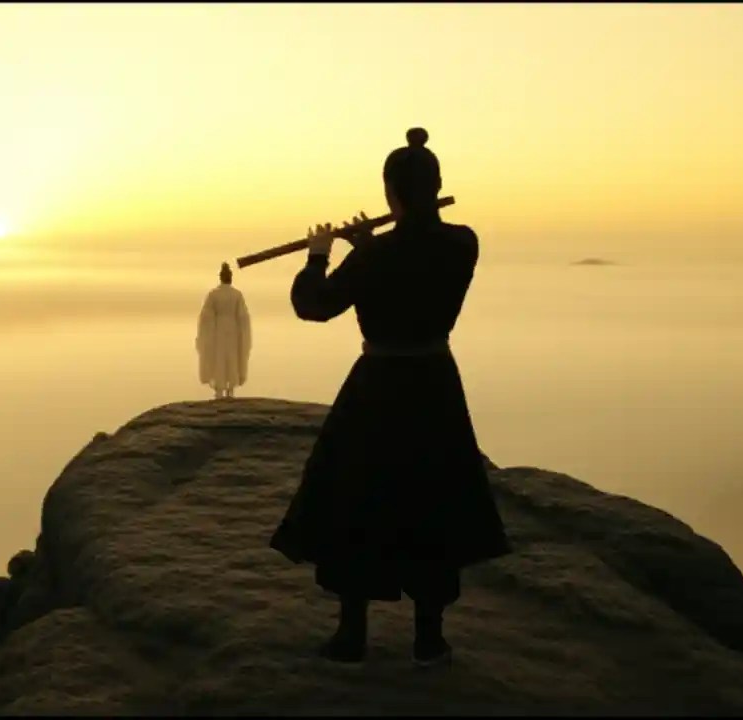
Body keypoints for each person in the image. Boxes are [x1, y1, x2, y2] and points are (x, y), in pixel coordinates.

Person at [269, 128, 511, 668]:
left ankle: (351, 636)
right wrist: (369, 248)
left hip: (378, 389)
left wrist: (318, 255)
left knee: (359, 498)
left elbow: (316, 305)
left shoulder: (377, 257)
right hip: (435, 385)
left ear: (389, 193)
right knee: (432, 499)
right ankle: (430, 639)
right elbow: (414, 261)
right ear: (437, 186)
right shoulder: (463, 242)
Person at [196, 262, 252, 399]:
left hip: (218, 329)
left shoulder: (214, 294)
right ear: (230, 278)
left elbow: (206, 316)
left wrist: (207, 332)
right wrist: (242, 332)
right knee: (231, 357)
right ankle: (230, 389)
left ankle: (219, 390)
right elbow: (243, 316)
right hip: (232, 328)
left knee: (219, 357)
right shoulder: (237, 295)